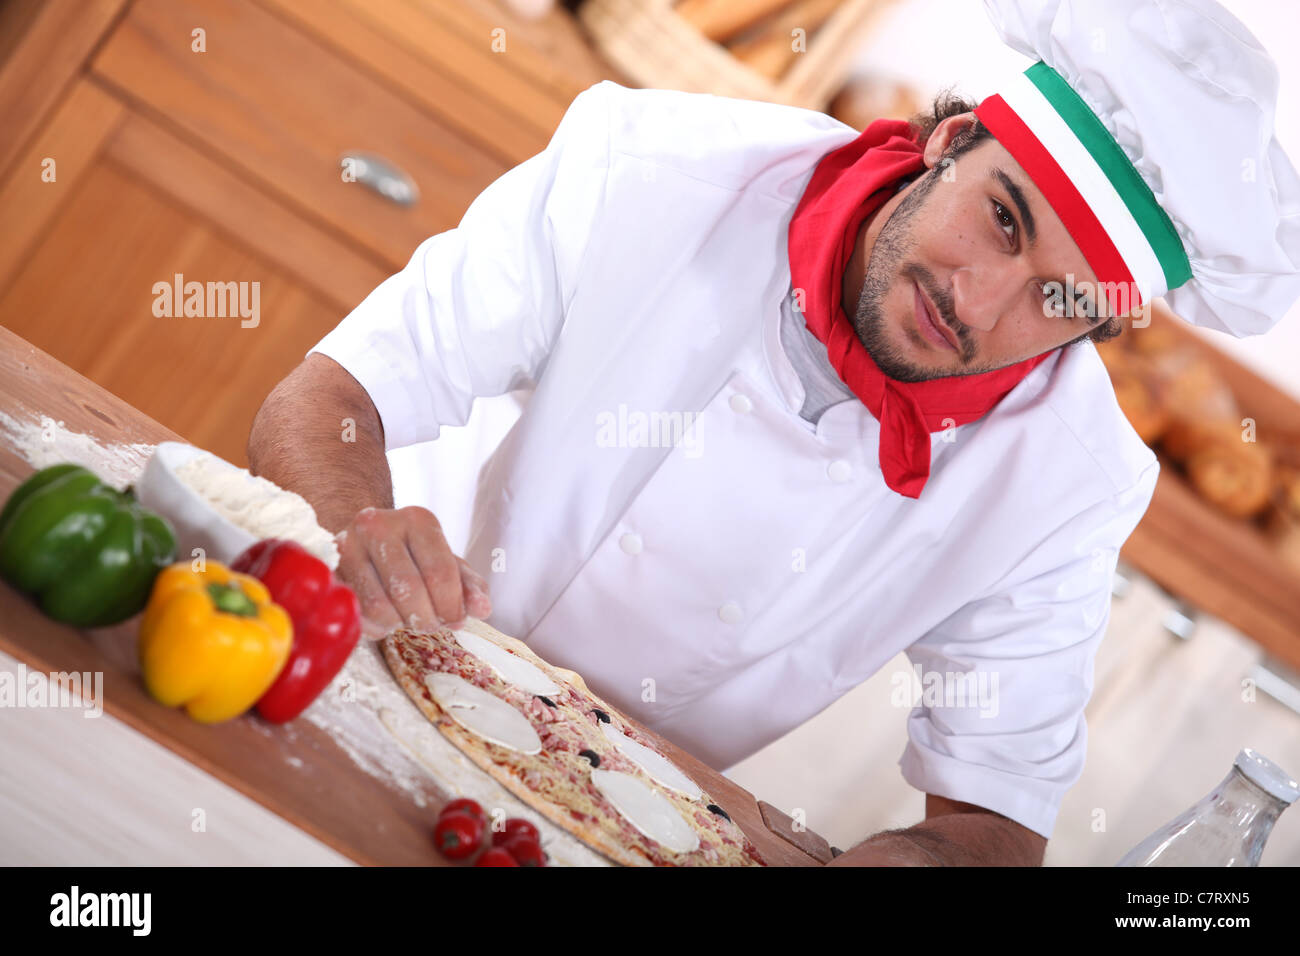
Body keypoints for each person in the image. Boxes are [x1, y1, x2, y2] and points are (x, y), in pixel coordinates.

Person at [248, 0, 1300, 865]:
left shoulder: (1070, 479)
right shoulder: (653, 165)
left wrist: (922, 859)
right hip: (357, 653)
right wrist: (361, 520)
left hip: (602, 824)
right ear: (952, 139)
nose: (979, 304)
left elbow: (995, 816)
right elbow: (328, 396)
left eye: (1059, 300)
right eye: (1002, 218)